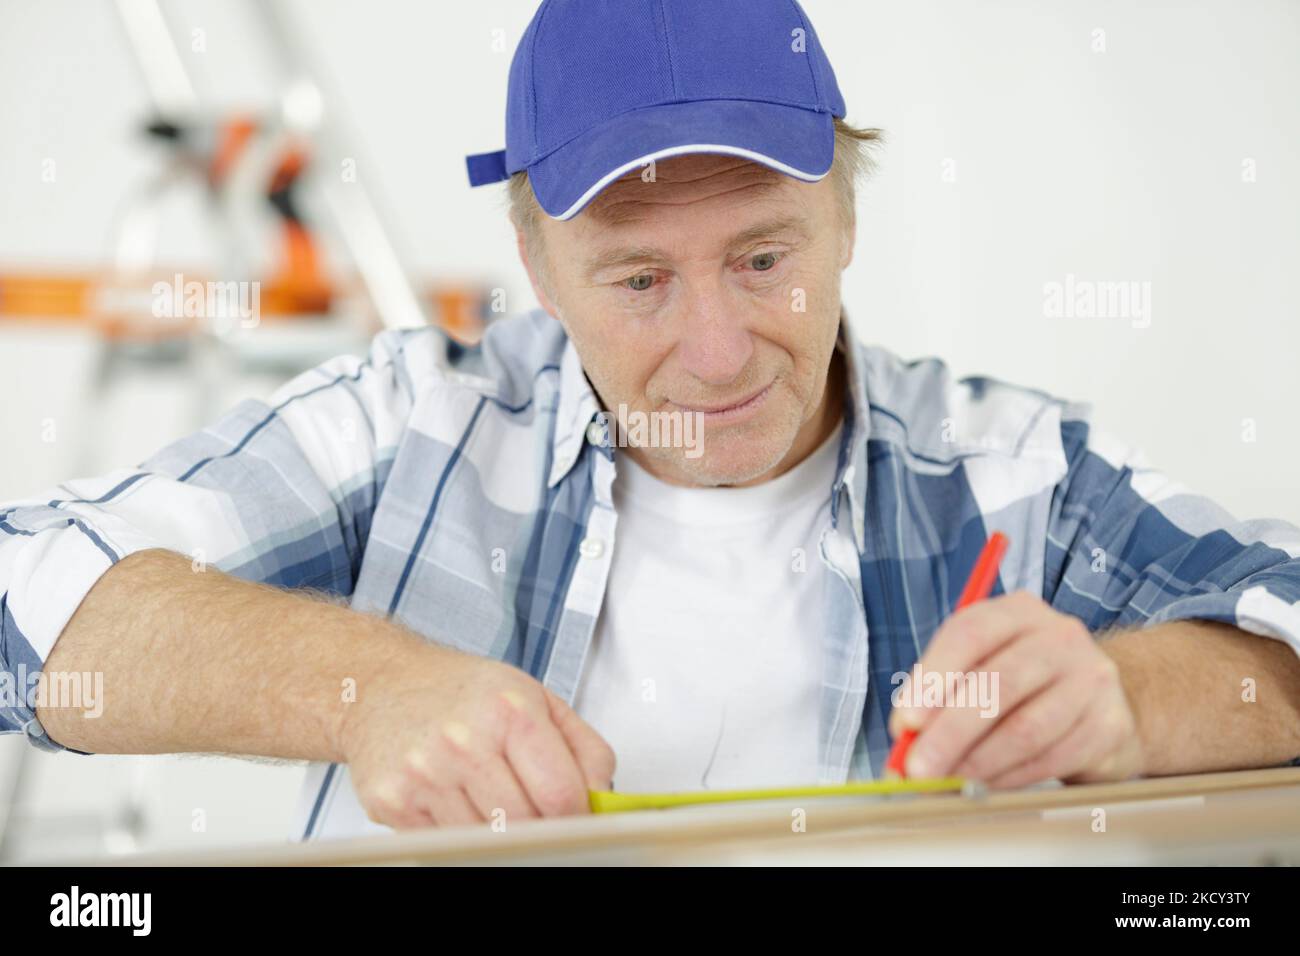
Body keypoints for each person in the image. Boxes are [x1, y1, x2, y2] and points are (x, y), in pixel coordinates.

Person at [3, 0, 1298, 841]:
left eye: (762, 258)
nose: (720, 350)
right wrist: (366, 697)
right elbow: (21, 599)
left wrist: (1129, 700)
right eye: (636, 280)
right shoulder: (411, 429)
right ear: (538, 266)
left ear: (845, 222)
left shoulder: (1015, 474)